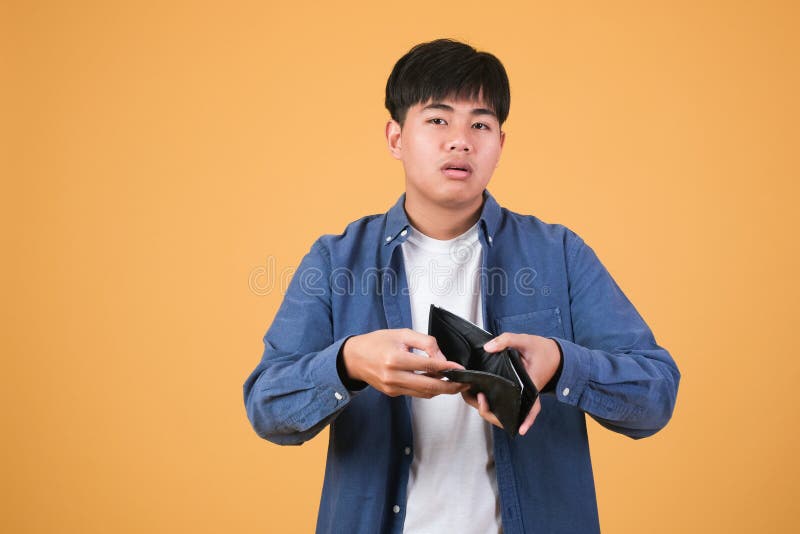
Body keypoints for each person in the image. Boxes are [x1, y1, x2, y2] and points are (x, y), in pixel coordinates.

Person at [243, 38, 680, 534]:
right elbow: (267, 406)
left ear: (500, 144)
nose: (461, 140)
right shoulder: (336, 259)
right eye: (437, 120)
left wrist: (560, 363)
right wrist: (346, 364)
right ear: (395, 138)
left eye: (480, 124)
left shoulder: (559, 253)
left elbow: (655, 395)